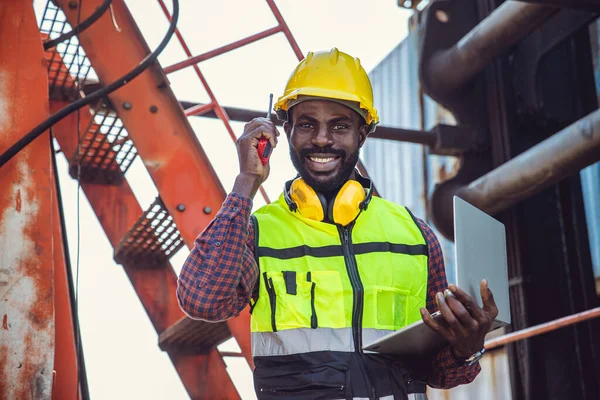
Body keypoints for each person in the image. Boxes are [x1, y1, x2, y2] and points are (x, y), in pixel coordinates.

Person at [177, 48, 499, 400]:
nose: (321, 139)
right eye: (307, 124)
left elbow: (438, 373)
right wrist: (246, 182)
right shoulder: (258, 233)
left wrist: (466, 347)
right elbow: (203, 301)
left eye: (340, 126)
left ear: (362, 135)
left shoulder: (414, 235)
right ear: (287, 132)